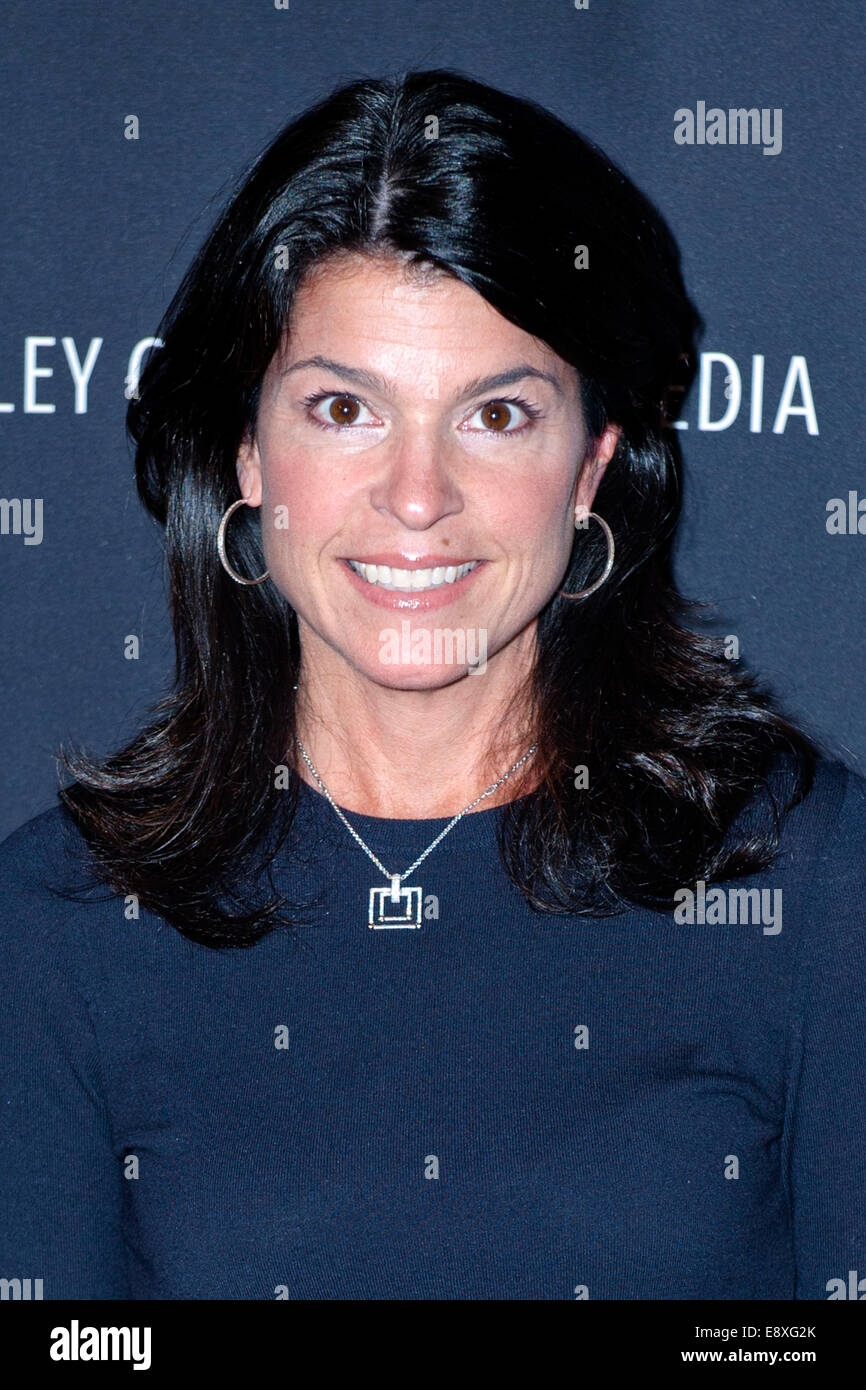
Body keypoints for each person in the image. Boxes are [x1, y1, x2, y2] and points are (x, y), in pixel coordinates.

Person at [1, 69, 864, 1302]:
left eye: (497, 414)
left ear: (590, 469)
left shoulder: (803, 882)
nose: (417, 498)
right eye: (343, 407)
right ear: (247, 450)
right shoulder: (60, 923)